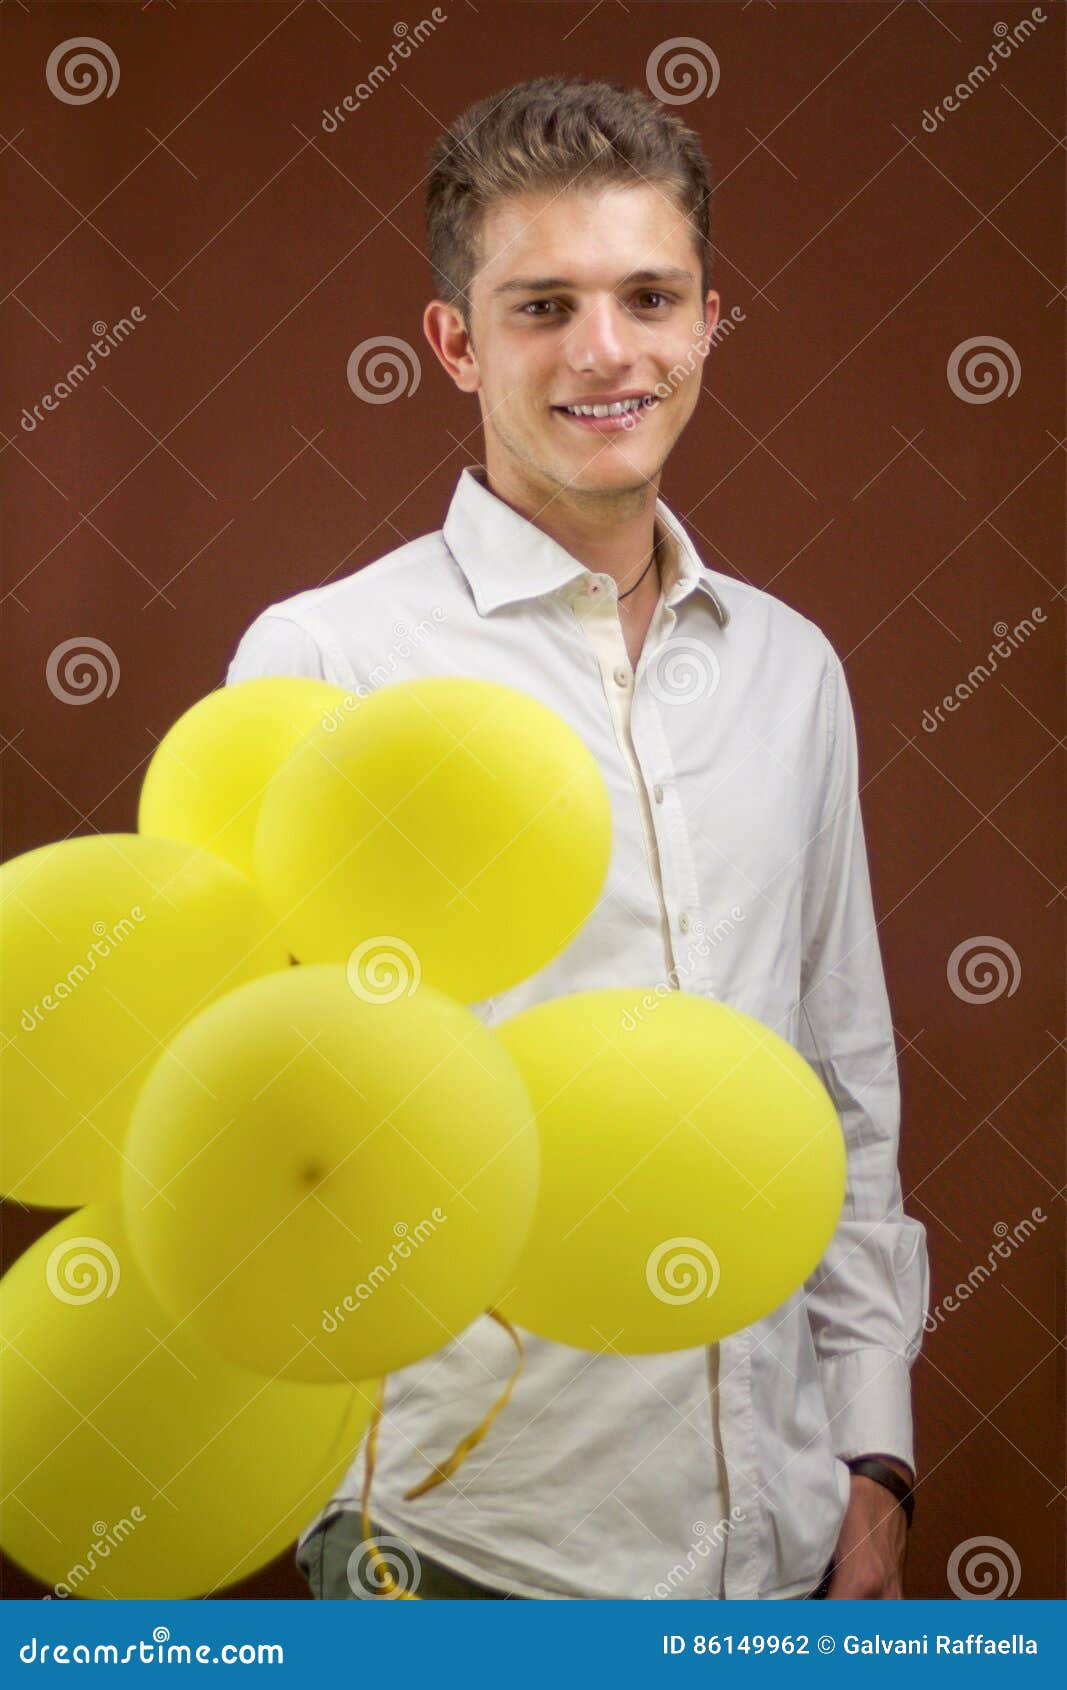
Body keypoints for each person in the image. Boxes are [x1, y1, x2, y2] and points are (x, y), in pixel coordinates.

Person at [226, 75, 929, 1602]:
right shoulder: (327, 660)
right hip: (469, 1551)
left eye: (647, 296)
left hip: (790, 1545)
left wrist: (876, 1462)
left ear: (705, 323)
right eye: (543, 303)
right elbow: (257, 1133)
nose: (604, 350)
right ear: (457, 342)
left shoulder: (790, 667)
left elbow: (841, 1081)